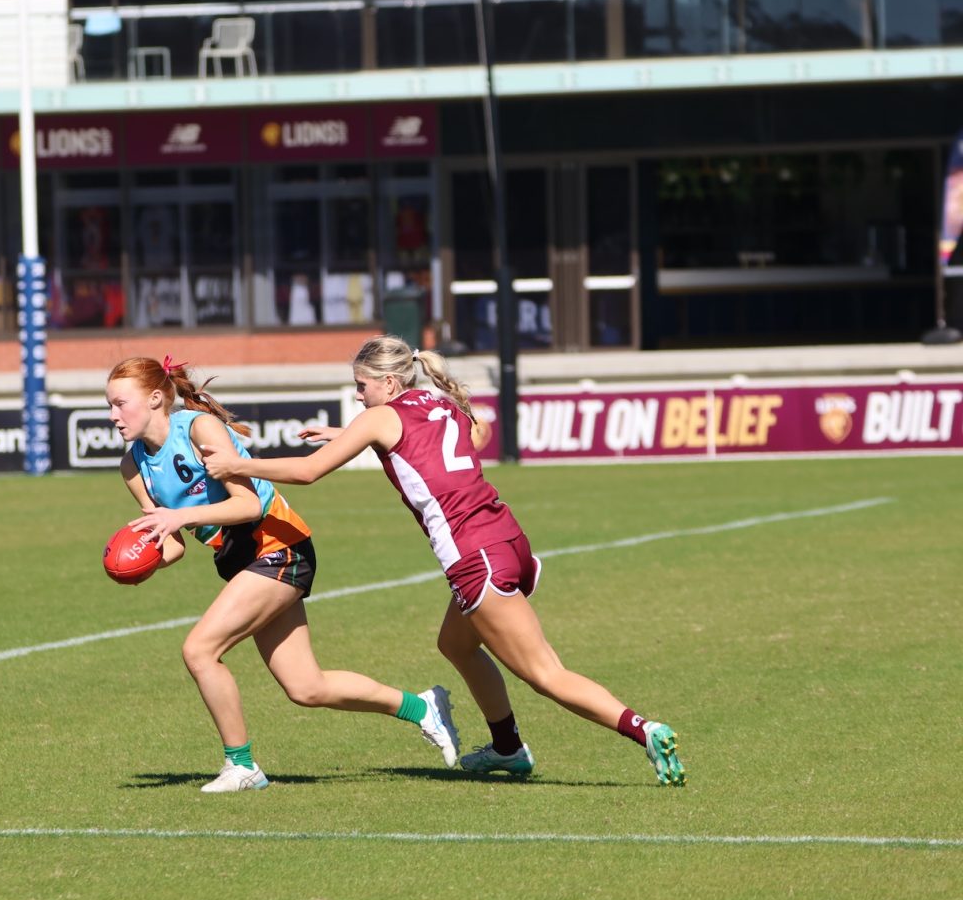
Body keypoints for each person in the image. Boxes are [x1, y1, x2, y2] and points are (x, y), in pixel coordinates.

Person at [199, 336, 686, 787]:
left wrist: (236, 465)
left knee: (545, 674)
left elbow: (307, 472)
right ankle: (508, 748)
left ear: (389, 383)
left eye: (361, 387)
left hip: (475, 556)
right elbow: (477, 434)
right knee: (455, 644)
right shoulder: (437, 402)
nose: (358, 397)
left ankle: (644, 730)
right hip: (507, 539)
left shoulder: (379, 418)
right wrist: (352, 433)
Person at [108, 354, 459, 793]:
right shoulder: (133, 466)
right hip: (239, 562)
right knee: (306, 687)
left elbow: (248, 505)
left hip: (278, 545)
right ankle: (421, 707)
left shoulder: (198, 429)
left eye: (121, 404)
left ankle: (242, 766)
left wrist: (177, 520)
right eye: (110, 405)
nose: (113, 416)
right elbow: (172, 544)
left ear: (156, 398)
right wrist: (143, 563)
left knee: (200, 650)